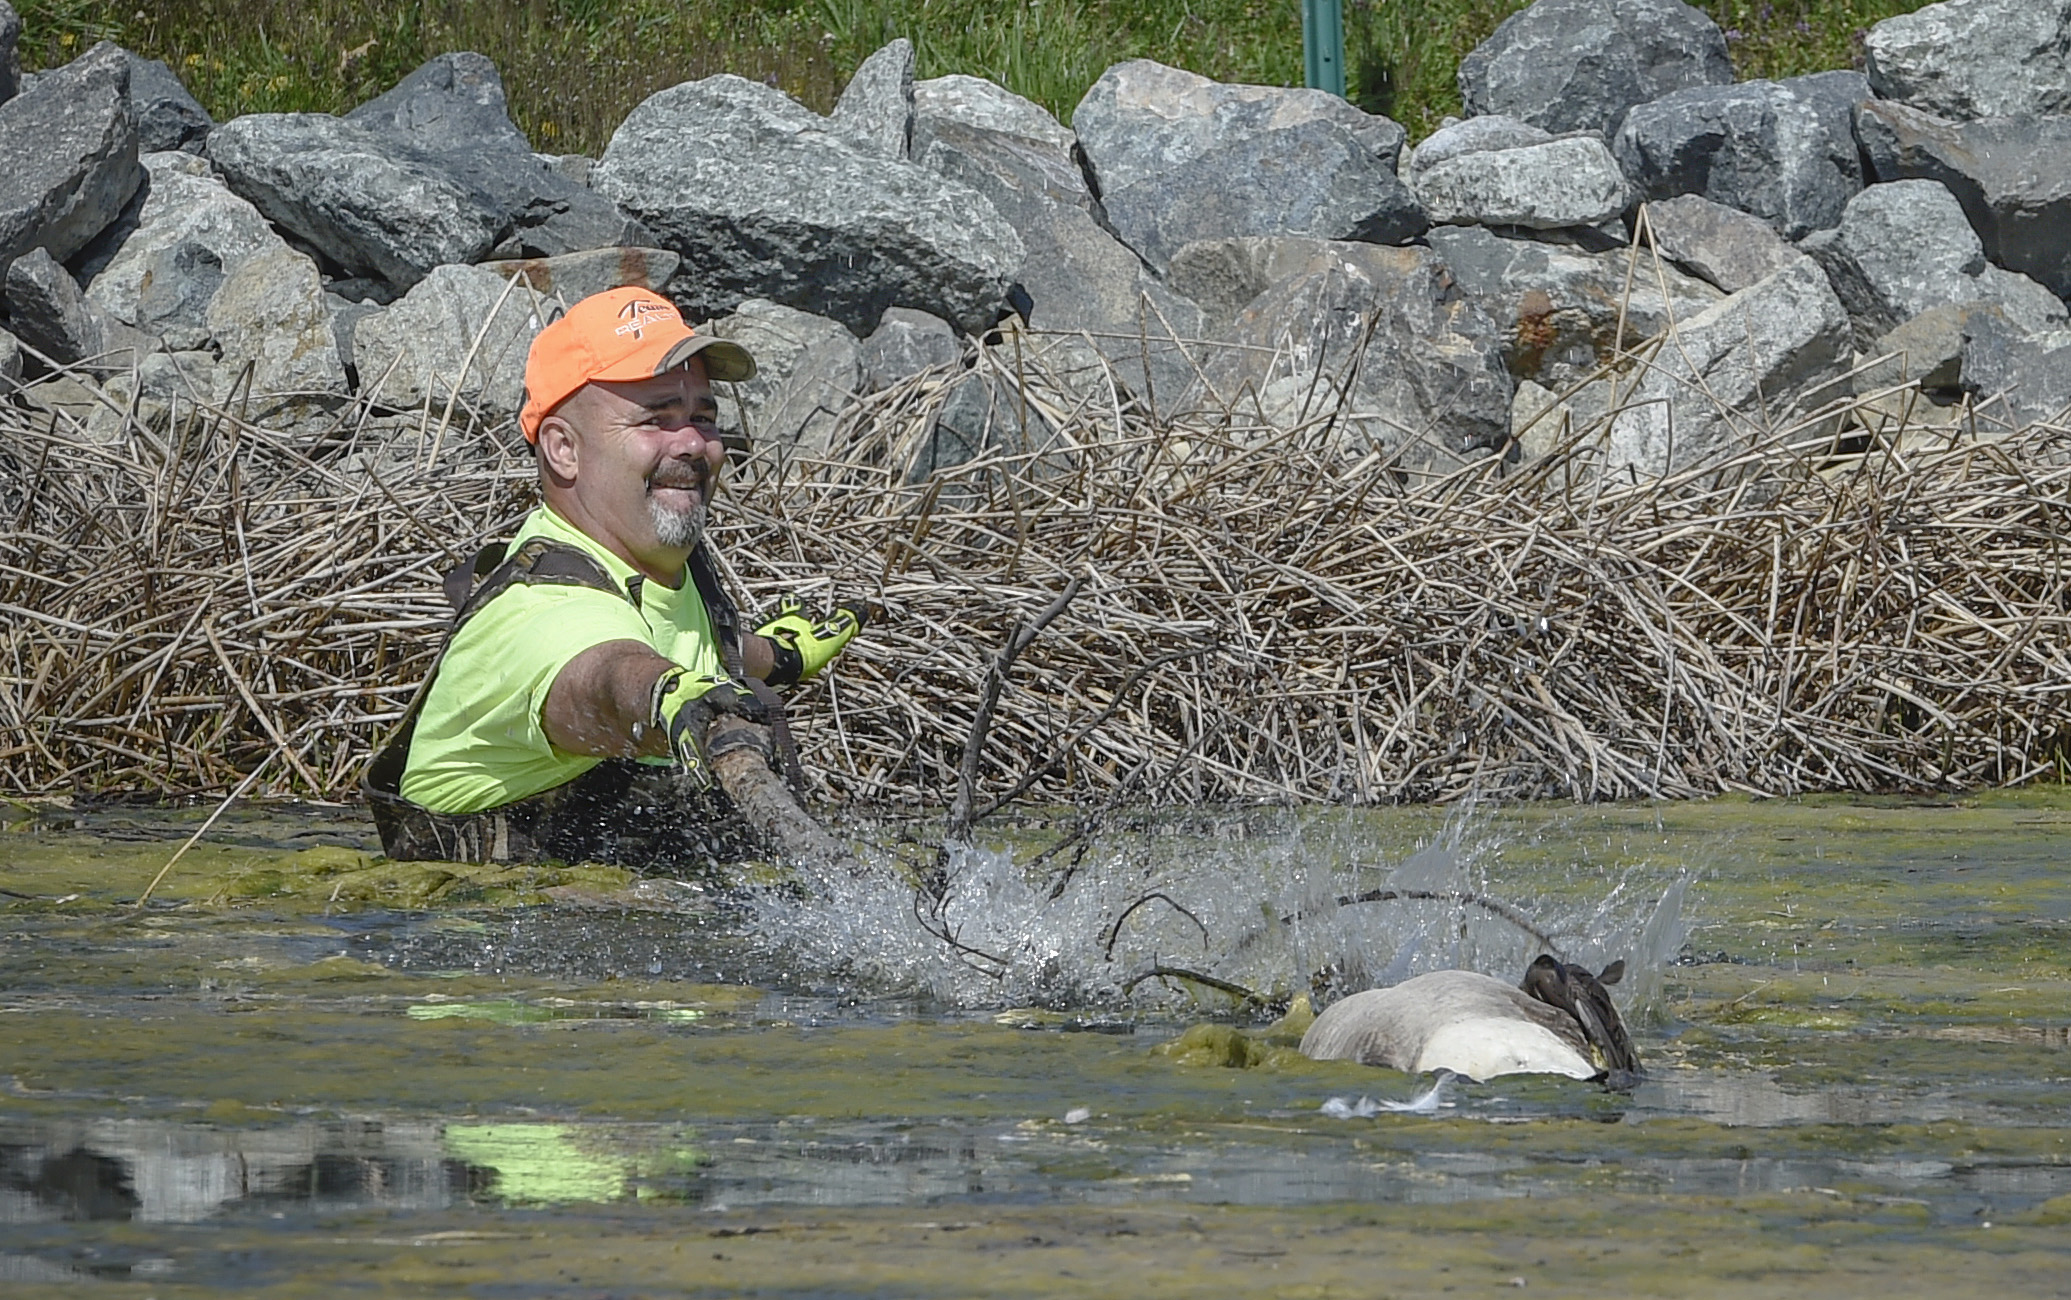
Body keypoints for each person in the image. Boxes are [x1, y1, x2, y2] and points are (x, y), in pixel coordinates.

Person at [364, 286, 863, 870]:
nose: (693, 445)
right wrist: (662, 698)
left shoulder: (652, 565)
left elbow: (668, 639)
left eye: (704, 418)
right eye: (656, 419)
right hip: (476, 930)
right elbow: (601, 681)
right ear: (564, 450)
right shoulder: (537, 609)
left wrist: (768, 657)